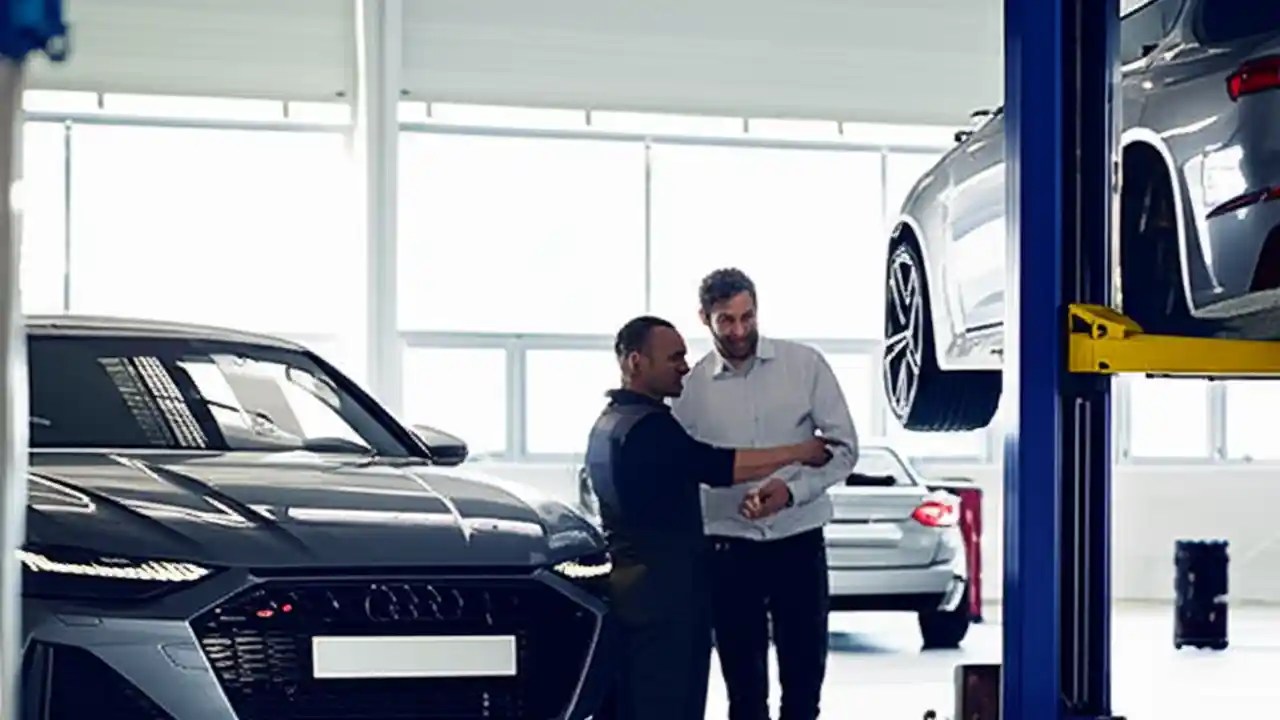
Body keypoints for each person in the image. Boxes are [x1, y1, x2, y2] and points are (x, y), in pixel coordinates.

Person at [585, 315, 834, 720]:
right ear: (636, 362)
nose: (684, 367)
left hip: (633, 592)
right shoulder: (649, 428)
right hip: (666, 599)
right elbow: (719, 466)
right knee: (669, 704)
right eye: (674, 358)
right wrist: (800, 451)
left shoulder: (609, 423)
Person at [672, 268, 859, 720]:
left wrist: (790, 491)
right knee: (744, 691)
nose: (739, 331)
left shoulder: (805, 366)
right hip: (727, 549)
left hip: (799, 542)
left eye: (747, 317)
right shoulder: (689, 390)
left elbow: (843, 449)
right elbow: (682, 468)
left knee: (804, 684)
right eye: (726, 320)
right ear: (704, 318)